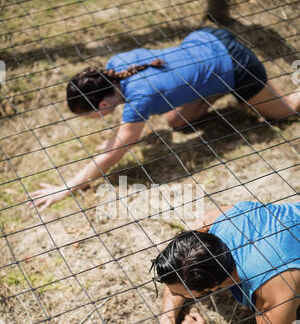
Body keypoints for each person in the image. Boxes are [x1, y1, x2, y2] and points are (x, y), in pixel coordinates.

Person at [29, 27, 300, 210]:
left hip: (236, 63)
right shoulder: (116, 66)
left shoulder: (140, 98)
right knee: (177, 123)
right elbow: (122, 134)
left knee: (285, 111)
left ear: (102, 104)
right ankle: (219, 86)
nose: (90, 119)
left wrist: (67, 187)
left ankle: (239, 87)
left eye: (89, 115)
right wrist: (115, 140)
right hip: (206, 38)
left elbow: (114, 152)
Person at [152, 200, 300, 324]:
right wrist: (167, 318)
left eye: (180, 294)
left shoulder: (274, 294)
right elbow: (179, 266)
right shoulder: (211, 222)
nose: (173, 296)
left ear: (214, 287)